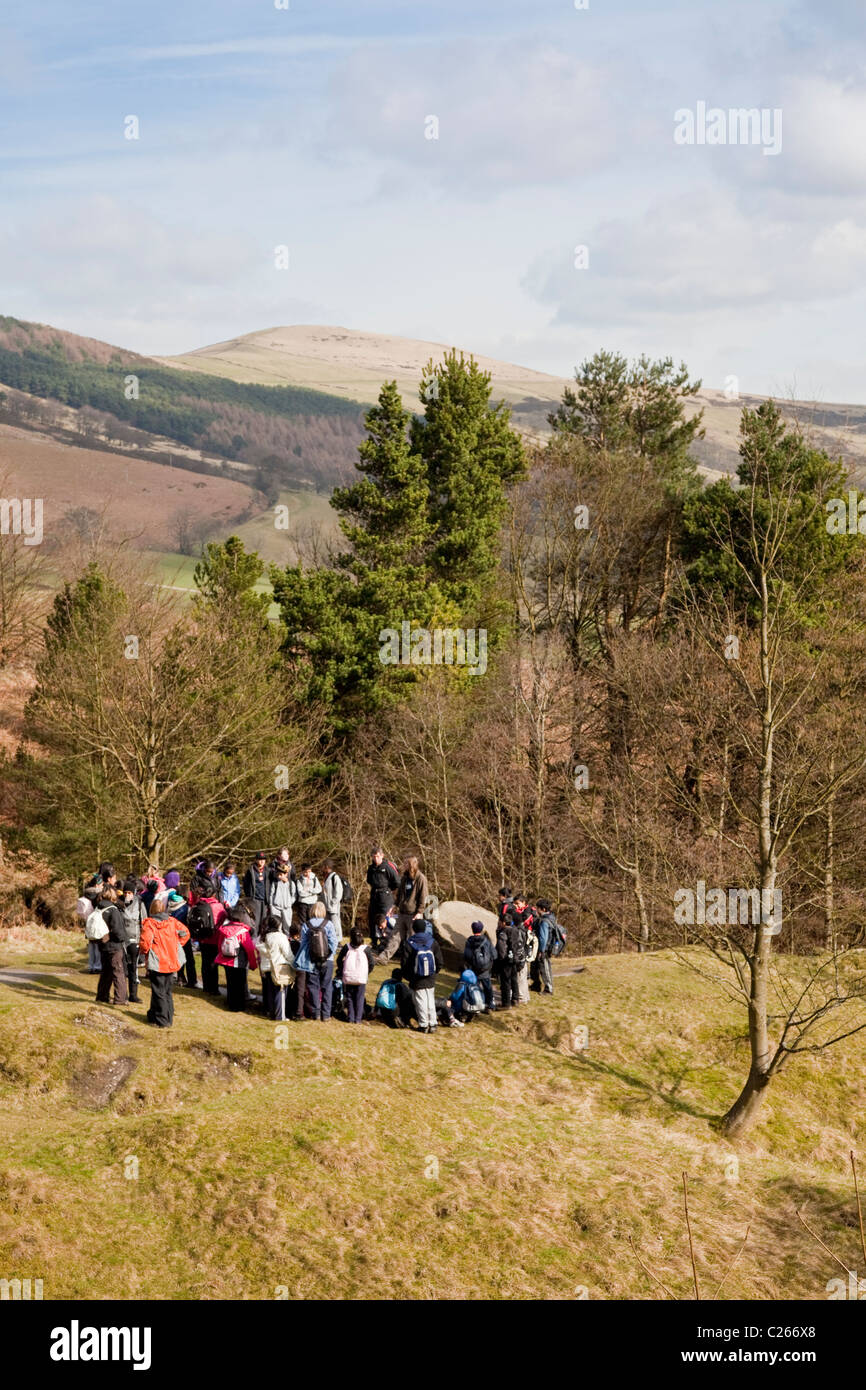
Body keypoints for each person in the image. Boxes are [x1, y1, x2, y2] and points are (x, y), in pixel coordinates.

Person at [139, 892, 190, 1028]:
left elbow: (145, 943)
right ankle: (160, 1015)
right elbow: (185, 933)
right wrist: (176, 945)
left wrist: (145, 953)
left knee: (159, 991)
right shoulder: (172, 922)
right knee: (166, 990)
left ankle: (163, 1020)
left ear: (151, 910)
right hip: (171, 960)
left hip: (158, 962)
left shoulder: (149, 924)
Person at [292, 900, 340, 1021]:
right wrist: (328, 955)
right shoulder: (329, 924)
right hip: (327, 960)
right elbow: (334, 943)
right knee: (327, 987)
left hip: (311, 960)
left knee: (313, 986)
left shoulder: (306, 925)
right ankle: (326, 1014)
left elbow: (303, 944)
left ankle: (316, 1013)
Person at [382, 856, 429, 965]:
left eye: (406, 864)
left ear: (412, 865)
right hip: (402, 913)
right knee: (394, 937)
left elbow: (424, 896)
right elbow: (399, 895)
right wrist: (394, 906)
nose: (404, 866)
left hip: (413, 914)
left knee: (412, 939)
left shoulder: (421, 878)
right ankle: (383, 958)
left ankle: (413, 962)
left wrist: (420, 912)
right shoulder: (404, 878)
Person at [401, 917, 443, 1034]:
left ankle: (424, 1025)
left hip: (416, 978)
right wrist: (434, 972)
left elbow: (404, 963)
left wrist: (409, 977)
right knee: (430, 1000)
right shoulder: (432, 942)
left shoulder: (409, 943)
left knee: (420, 1001)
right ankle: (433, 1023)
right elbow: (440, 961)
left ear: (413, 929)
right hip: (430, 976)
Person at [187, 873, 226, 995]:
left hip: (202, 938)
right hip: (214, 938)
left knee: (205, 962)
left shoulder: (199, 905)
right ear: (214, 894)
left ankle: (206, 987)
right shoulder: (218, 906)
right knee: (213, 963)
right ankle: (213, 988)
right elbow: (224, 919)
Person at [215, 901, 258, 1012]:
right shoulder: (243, 931)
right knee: (240, 984)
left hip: (226, 961)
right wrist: (253, 964)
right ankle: (239, 1006)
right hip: (239, 962)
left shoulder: (223, 929)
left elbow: (219, 945)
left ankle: (231, 1003)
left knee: (230, 983)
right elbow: (249, 949)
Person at [94, 885, 130, 1006]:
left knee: (106, 972)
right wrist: (123, 938)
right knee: (118, 972)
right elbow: (118, 931)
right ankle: (120, 999)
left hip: (102, 944)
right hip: (114, 945)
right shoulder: (113, 910)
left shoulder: (98, 908)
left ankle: (102, 996)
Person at [336, 926, 375, 1024]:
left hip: (348, 976)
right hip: (361, 977)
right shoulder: (366, 949)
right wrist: (367, 972)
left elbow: (339, 960)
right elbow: (372, 963)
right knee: (359, 998)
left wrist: (342, 969)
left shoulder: (346, 947)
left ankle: (350, 1018)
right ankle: (358, 1019)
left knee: (349, 997)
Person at [119, 876, 147, 1004]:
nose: (127, 895)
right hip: (121, 940)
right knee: (121, 969)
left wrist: (143, 939)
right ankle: (121, 994)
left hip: (134, 939)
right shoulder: (118, 904)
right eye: (125, 892)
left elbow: (144, 922)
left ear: (134, 893)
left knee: (133, 968)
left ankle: (133, 994)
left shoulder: (140, 904)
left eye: (129, 893)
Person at [366, 848, 399, 948]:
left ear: (382, 856)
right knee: (372, 918)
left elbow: (397, 882)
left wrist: (387, 889)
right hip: (374, 895)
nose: (376, 859)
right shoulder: (371, 868)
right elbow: (369, 880)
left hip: (385, 896)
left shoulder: (388, 866)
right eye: (374, 857)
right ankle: (374, 941)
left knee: (386, 918)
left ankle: (387, 942)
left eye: (377, 856)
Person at [264, 918, 296, 1021]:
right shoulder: (280, 937)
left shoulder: (266, 936)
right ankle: (280, 1016)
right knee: (280, 992)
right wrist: (295, 965)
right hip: (279, 967)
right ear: (279, 925)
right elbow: (288, 954)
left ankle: (272, 1013)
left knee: (271, 992)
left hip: (267, 967)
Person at [463, 921, 496, 1012]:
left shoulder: (469, 941)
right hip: (485, 969)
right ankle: (490, 1005)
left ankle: (477, 1004)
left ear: (472, 929)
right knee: (488, 987)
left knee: (475, 987)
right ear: (481, 929)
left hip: (474, 970)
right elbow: (494, 954)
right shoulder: (486, 940)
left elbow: (467, 955)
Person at [168, 888, 197, 988]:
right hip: (184, 934)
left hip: (172, 934)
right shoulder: (185, 907)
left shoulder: (169, 905)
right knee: (189, 958)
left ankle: (180, 977)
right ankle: (192, 980)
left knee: (178, 956)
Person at [510, 895, 534, 1004]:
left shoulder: (526, 914)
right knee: (523, 974)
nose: (515, 906)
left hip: (523, 948)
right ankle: (525, 996)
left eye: (517, 903)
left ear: (524, 902)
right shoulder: (524, 912)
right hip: (525, 947)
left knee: (520, 974)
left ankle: (521, 997)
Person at [496, 912, 521, 1010]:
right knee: (514, 979)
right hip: (514, 959)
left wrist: (501, 959)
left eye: (499, 921)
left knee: (505, 981)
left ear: (503, 922)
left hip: (506, 960)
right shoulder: (515, 930)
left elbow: (501, 948)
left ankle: (506, 1003)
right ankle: (515, 999)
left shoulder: (503, 932)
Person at [243, 852, 271, 935]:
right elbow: (246, 885)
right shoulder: (250, 870)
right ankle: (254, 938)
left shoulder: (268, 870)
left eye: (263, 859)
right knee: (256, 920)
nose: (262, 861)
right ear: (256, 860)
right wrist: (249, 897)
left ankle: (262, 937)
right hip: (255, 899)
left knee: (264, 920)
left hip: (265, 900)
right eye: (260, 859)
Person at [269, 861, 296, 934]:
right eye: (278, 874)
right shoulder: (275, 883)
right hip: (276, 907)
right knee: (277, 925)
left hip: (287, 908)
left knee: (287, 925)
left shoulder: (291, 884)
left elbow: (294, 895)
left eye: (281, 874)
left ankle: (288, 938)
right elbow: (271, 895)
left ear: (286, 874)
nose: (279, 876)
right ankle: (278, 937)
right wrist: (271, 906)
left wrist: (289, 903)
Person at [321, 859, 344, 938]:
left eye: (323, 866)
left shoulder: (335, 877)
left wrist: (333, 903)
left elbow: (339, 892)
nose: (322, 868)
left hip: (333, 907)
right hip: (327, 907)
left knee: (335, 923)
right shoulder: (326, 877)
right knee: (328, 924)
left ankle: (338, 939)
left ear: (327, 867)